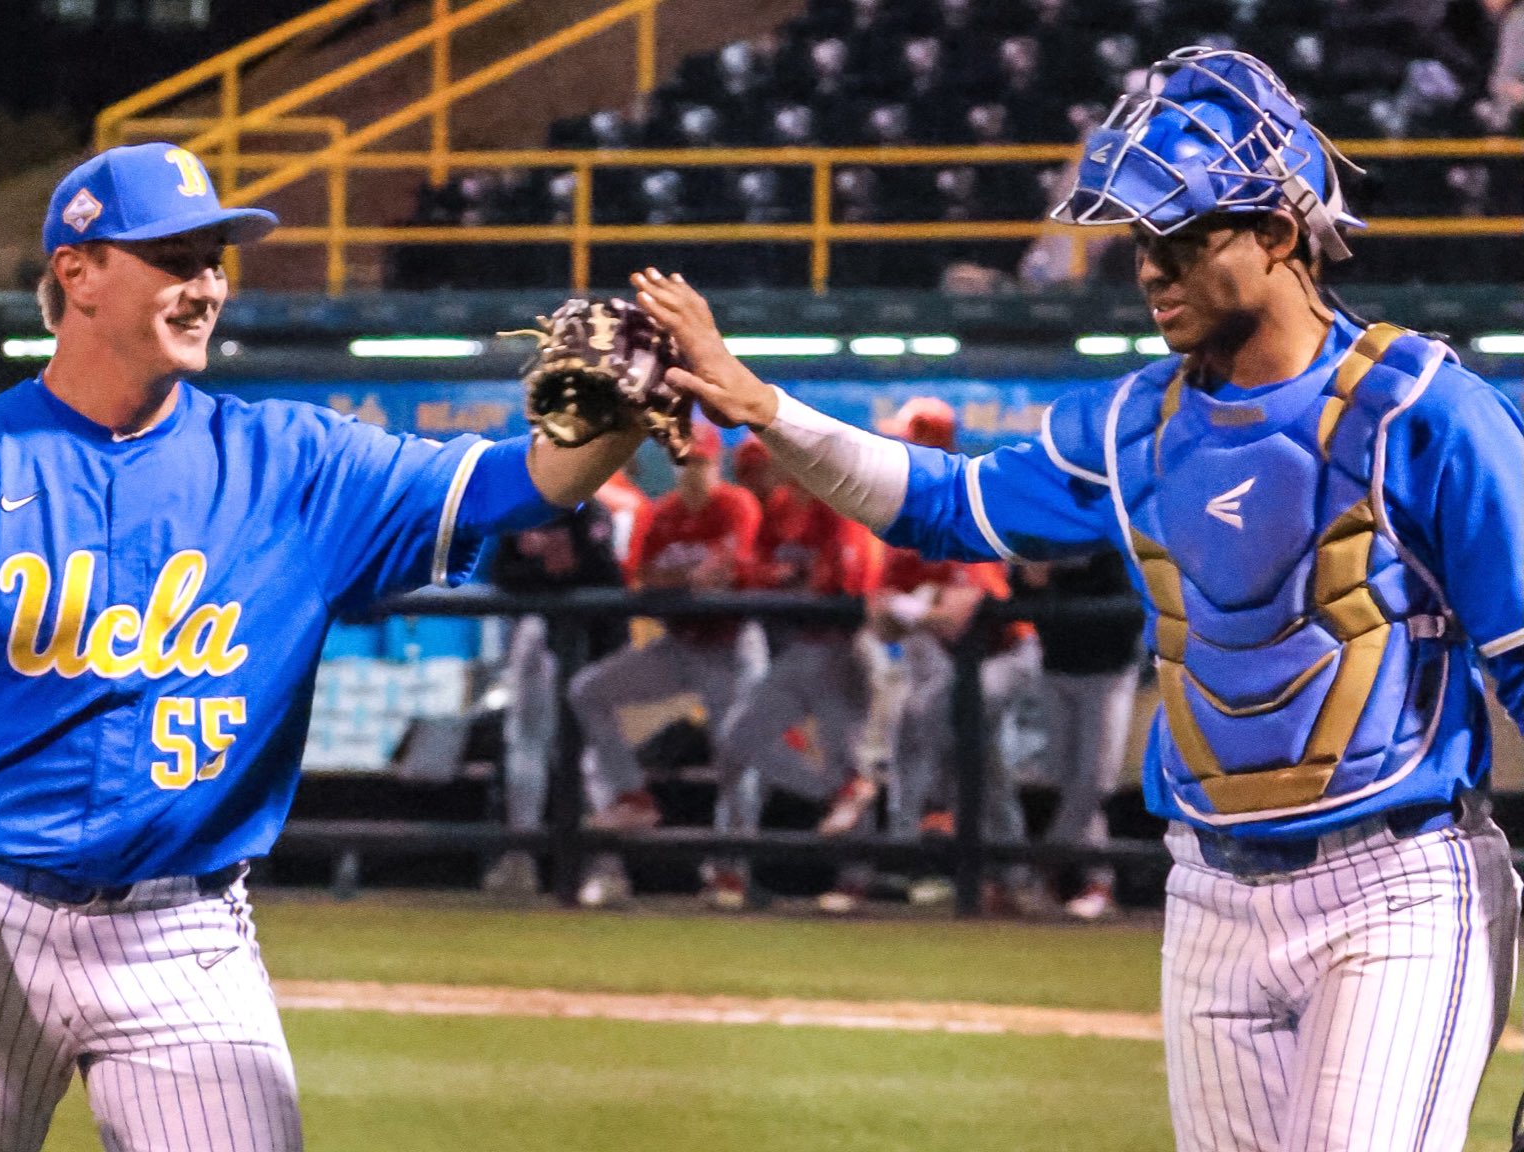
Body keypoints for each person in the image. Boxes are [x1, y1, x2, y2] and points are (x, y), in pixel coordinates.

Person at [639, 46, 1524, 1152]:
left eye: (1179, 237)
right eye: (1138, 240)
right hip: (1208, 894)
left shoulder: (1427, 412)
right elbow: (944, 505)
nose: (1148, 268)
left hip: (1398, 884)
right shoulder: (1132, 422)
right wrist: (764, 407)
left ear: (1276, 232)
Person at [0, 140, 638, 1151]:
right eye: (174, 259)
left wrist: (624, 415)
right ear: (78, 273)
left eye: (213, 260)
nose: (205, 285)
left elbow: (521, 484)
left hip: (185, 936)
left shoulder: (292, 464)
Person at [565, 423, 766, 909]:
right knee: (589, 690)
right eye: (683, 461)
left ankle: (731, 873)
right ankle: (631, 795)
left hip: (731, 646)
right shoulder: (665, 512)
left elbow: (726, 572)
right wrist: (687, 578)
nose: (690, 471)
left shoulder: (736, 504)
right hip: (680, 643)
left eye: (698, 462)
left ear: (715, 463)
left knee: (735, 757)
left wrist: (681, 578)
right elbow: (644, 578)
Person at [864, 399, 1041, 914]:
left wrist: (912, 607)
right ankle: (990, 872)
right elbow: (878, 619)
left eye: (910, 441)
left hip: (1003, 656)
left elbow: (961, 616)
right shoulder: (902, 519)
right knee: (966, 750)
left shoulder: (966, 505)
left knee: (938, 724)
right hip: (949, 663)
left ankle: (945, 853)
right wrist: (918, 606)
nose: (900, 450)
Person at [714, 462, 885, 914]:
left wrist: (788, 582)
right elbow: (753, 572)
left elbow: (846, 587)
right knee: (738, 740)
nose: (770, 474)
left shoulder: (841, 507)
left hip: (845, 649)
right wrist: (785, 581)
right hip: (800, 649)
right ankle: (834, 793)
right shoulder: (780, 508)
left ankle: (855, 882)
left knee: (849, 760)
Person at [483, 498, 626, 896]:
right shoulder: (521, 511)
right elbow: (502, 574)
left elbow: (603, 575)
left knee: (592, 756)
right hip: (539, 633)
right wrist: (551, 573)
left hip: (593, 642)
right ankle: (520, 857)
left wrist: (552, 572)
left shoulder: (591, 513)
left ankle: (606, 867)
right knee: (524, 744)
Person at [1010, 552, 1144, 921]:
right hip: (1057, 665)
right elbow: (1020, 597)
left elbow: (1133, 601)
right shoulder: (1040, 533)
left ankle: (1041, 870)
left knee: (1095, 781)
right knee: (1068, 784)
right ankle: (1097, 884)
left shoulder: (1110, 531)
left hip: (1109, 671)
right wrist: (1032, 581)